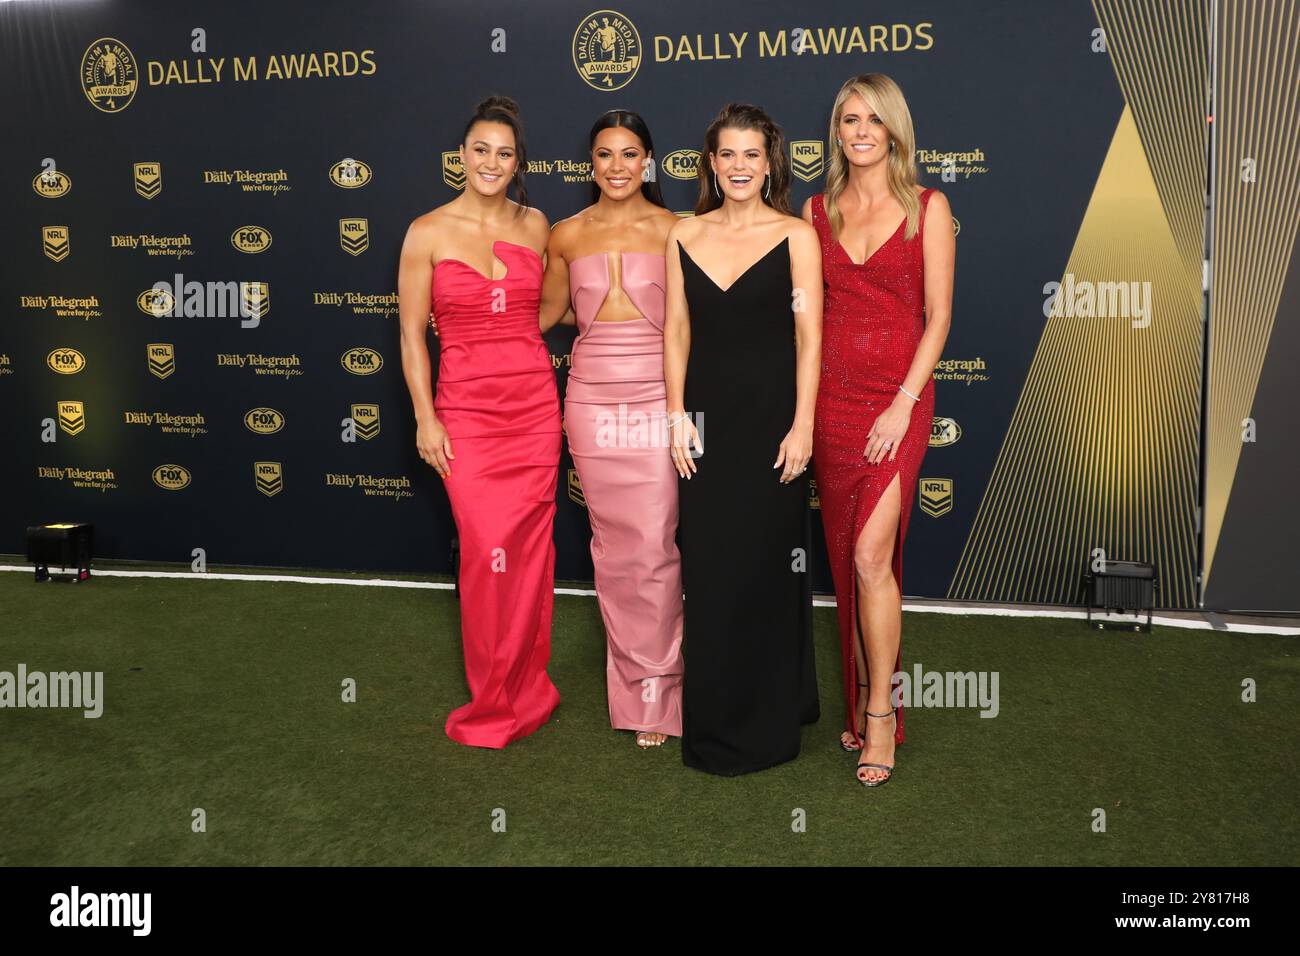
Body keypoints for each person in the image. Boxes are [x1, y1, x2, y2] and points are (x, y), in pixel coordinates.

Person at [801, 74, 954, 787]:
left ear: (894, 129)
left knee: (871, 556)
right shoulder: (815, 210)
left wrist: (902, 399)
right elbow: (804, 318)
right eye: (848, 119)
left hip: (899, 401)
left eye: (873, 119)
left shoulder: (928, 206)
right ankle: (863, 701)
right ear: (837, 131)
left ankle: (882, 714)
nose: (860, 130)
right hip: (832, 402)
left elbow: (939, 317)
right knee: (843, 558)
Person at [397, 95, 562, 749]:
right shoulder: (426, 231)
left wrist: (503, 333)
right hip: (464, 414)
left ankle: (529, 687)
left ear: (517, 160)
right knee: (485, 553)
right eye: (480, 150)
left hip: (533, 410)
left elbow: (550, 308)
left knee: (530, 555)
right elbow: (411, 335)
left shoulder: (537, 224)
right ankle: (492, 698)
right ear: (461, 157)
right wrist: (426, 418)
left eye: (504, 152)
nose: (491, 162)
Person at [664, 102, 823, 776]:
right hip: (705, 423)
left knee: (766, 565)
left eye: (751, 155)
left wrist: (804, 424)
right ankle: (717, 716)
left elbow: (808, 336)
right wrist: (675, 415)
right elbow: (676, 330)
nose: (738, 166)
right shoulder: (682, 233)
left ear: (770, 163)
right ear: (711, 162)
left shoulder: (797, 235)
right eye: (726, 154)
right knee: (711, 568)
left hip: (773, 425)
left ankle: (770, 715)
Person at [539, 109, 684, 750]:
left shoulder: (677, 229)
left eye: (630, 154)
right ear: (589, 163)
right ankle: (634, 693)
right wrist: (461, 320)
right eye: (605, 154)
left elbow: (702, 320)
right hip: (592, 399)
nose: (617, 166)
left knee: (655, 545)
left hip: (659, 396)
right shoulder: (566, 235)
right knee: (615, 549)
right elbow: (543, 314)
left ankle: (662, 690)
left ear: (648, 161)